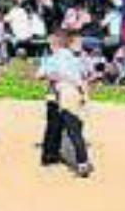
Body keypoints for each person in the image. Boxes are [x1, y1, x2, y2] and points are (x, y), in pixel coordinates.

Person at [37, 29, 92, 177]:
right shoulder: (77, 59)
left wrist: (56, 76)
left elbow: (40, 74)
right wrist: (84, 95)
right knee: (75, 130)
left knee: (54, 128)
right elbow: (86, 76)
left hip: (60, 95)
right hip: (75, 95)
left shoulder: (54, 58)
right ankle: (82, 161)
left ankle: (50, 156)